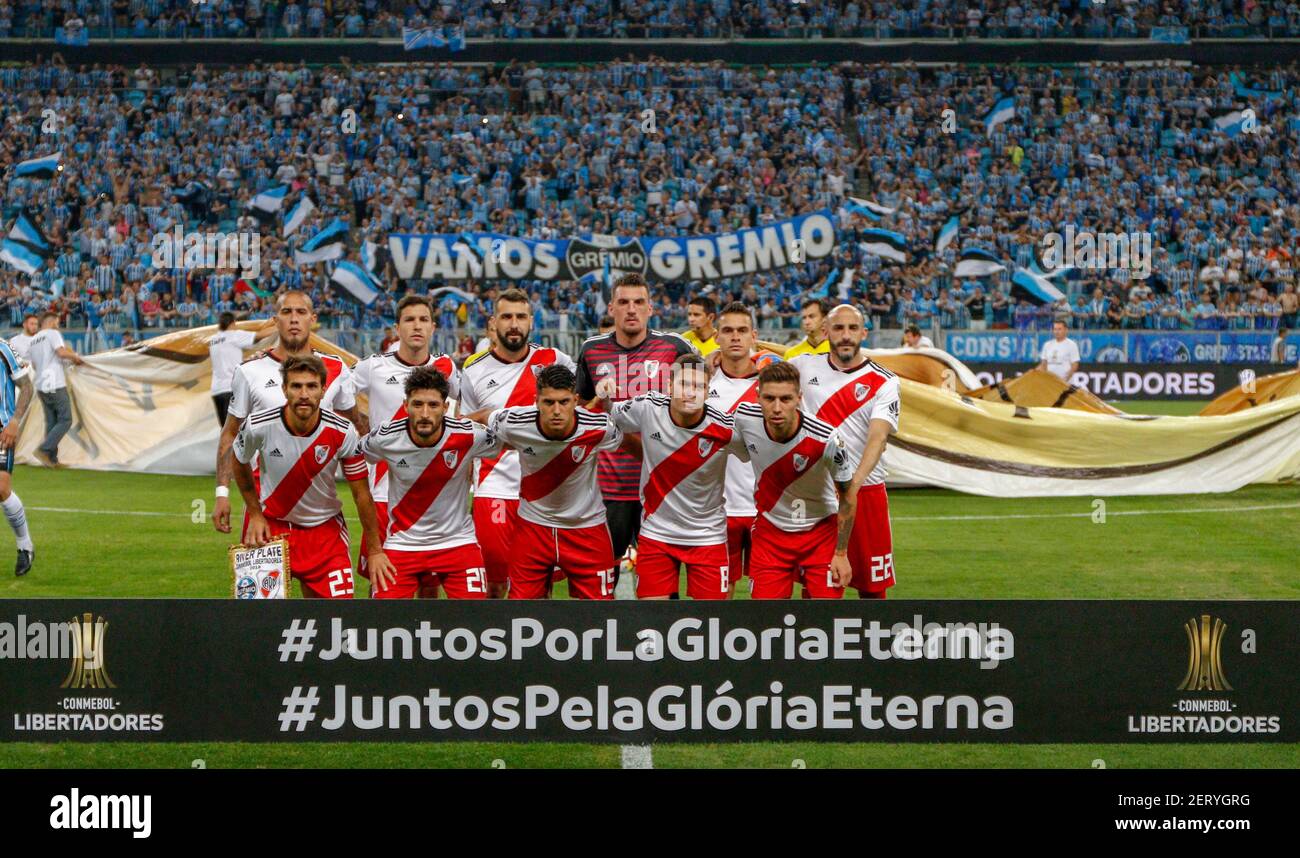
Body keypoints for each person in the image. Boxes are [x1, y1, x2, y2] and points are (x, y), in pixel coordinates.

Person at [232, 355, 391, 599]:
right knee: (258, 623)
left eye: (311, 386)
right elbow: (239, 458)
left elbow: (361, 493)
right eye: (296, 386)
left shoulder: (343, 431)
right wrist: (254, 513)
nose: (304, 394)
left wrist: (375, 550)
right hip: (271, 528)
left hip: (324, 533)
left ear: (323, 391)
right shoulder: (258, 425)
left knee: (337, 624)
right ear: (284, 389)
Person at [476, 365, 633, 600]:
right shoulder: (514, 422)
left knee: (600, 615)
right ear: (536, 401)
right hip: (532, 529)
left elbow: (632, 444)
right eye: (549, 403)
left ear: (576, 400)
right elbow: (480, 418)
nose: (557, 411)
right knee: (521, 615)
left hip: (587, 529)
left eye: (564, 402)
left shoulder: (599, 427)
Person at [212, 290, 360, 538]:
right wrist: (222, 493)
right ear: (274, 320)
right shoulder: (250, 371)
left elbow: (355, 427)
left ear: (312, 319)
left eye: (301, 312)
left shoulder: (336, 369)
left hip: (322, 512)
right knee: (261, 580)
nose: (294, 319)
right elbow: (230, 433)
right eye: (286, 312)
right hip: (266, 509)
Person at [574, 273, 695, 575]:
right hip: (607, 489)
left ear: (651, 309)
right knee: (601, 581)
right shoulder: (591, 350)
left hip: (660, 487)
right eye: (624, 302)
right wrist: (598, 402)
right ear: (611, 308)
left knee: (661, 585)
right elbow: (579, 415)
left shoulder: (675, 347)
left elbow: (699, 400)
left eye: (639, 302)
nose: (631, 309)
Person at [458, 288, 574, 599]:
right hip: (494, 488)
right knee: (494, 583)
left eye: (520, 317)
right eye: (506, 316)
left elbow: (576, 410)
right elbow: (465, 429)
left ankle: (536, 645)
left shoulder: (553, 361)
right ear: (493, 322)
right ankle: (498, 644)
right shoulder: (473, 369)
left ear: (531, 322)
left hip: (543, 489)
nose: (514, 324)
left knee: (540, 583)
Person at [606, 353, 747, 599]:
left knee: (711, 627)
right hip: (656, 534)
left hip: (708, 536)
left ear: (707, 391)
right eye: (684, 384)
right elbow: (612, 416)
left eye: (699, 386)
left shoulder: (725, 428)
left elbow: (757, 453)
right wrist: (604, 392)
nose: (690, 393)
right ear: (670, 385)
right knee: (653, 624)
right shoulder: (647, 407)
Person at [346, 294, 459, 590]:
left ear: (433, 327)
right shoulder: (373, 366)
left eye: (423, 320)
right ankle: (382, 636)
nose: (416, 326)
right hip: (384, 494)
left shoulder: (447, 368)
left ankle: (425, 637)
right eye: (409, 320)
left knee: (430, 585)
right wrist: (360, 426)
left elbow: (469, 408)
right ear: (397, 328)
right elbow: (337, 395)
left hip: (433, 493)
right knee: (381, 580)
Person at [788, 305, 901, 598]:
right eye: (838, 328)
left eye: (853, 329)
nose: (846, 336)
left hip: (866, 490)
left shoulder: (885, 381)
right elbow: (762, 373)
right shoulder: (802, 367)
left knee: (872, 587)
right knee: (815, 586)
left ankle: (875, 644)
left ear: (864, 333)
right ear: (826, 332)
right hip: (818, 492)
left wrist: (853, 485)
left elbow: (878, 438)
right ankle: (816, 642)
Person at [358, 367, 500, 599]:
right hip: (403, 544)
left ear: (445, 408)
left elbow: (512, 440)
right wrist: (375, 549)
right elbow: (351, 457)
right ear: (406, 406)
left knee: (478, 622)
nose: (425, 413)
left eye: (433, 405)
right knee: (380, 622)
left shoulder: (469, 435)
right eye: (417, 404)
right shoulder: (385, 437)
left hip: (458, 542)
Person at [731, 361, 856, 599]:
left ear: (799, 398)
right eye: (769, 398)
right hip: (770, 533)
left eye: (786, 399)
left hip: (821, 533)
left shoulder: (828, 439)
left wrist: (841, 553)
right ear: (757, 396)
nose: (777, 408)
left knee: (826, 622)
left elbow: (848, 496)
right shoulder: (744, 419)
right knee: (767, 624)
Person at [707, 301, 763, 593]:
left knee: (768, 595)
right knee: (717, 596)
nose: (735, 337)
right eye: (728, 330)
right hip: (717, 508)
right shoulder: (702, 382)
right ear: (716, 336)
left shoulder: (774, 385)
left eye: (742, 330)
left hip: (764, 508)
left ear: (754, 336)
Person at [29, 312, 86, 468]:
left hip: (41, 384)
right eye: (57, 321)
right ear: (51, 321)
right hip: (55, 382)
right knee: (66, 419)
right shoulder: (53, 334)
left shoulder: (34, 340)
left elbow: (34, 365)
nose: (58, 324)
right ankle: (44, 449)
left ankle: (51, 459)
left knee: (52, 422)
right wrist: (75, 357)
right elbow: (61, 353)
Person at [0, 336, 35, 575]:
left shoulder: (3, 347)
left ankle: (25, 545)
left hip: (2, 430)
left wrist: (14, 421)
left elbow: (27, 387)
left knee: (1, 488)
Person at [207, 312, 275, 427]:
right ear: (232, 323)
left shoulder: (213, 340)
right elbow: (260, 335)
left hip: (217, 390)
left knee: (225, 430)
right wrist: (281, 326)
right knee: (239, 431)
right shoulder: (234, 335)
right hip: (231, 388)